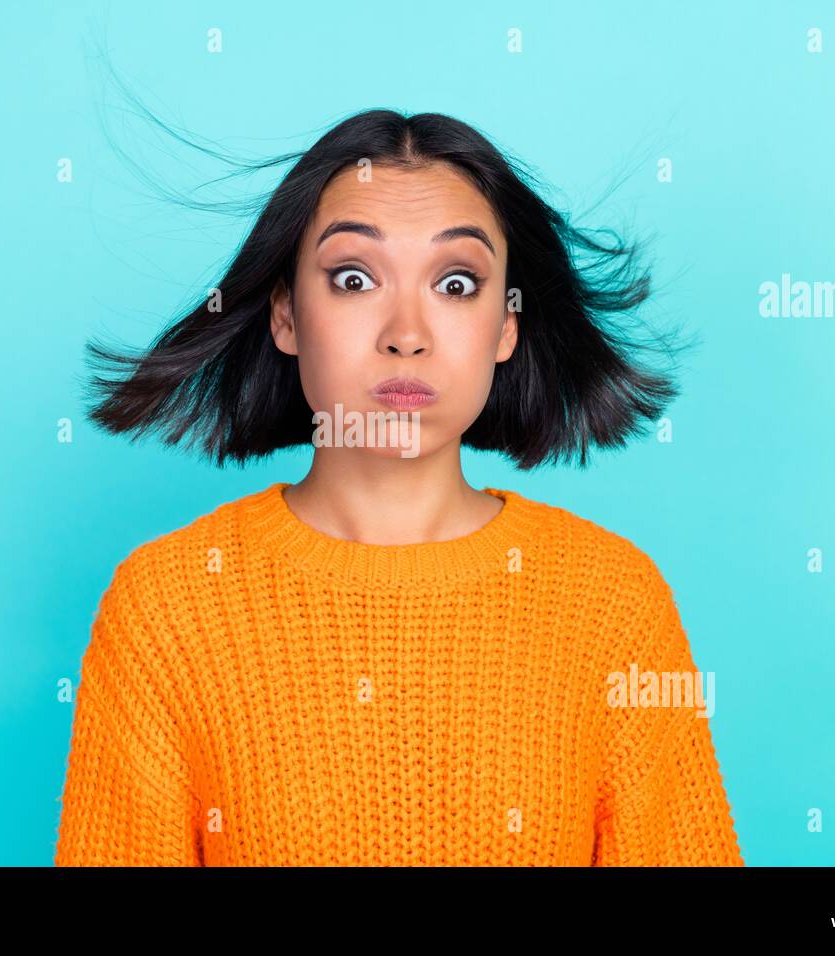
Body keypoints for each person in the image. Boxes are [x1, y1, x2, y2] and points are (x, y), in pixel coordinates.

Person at [53, 107, 743, 866]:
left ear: (506, 326)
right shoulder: (164, 609)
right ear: (286, 314)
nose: (406, 332)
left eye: (457, 282)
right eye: (353, 278)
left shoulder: (614, 604)